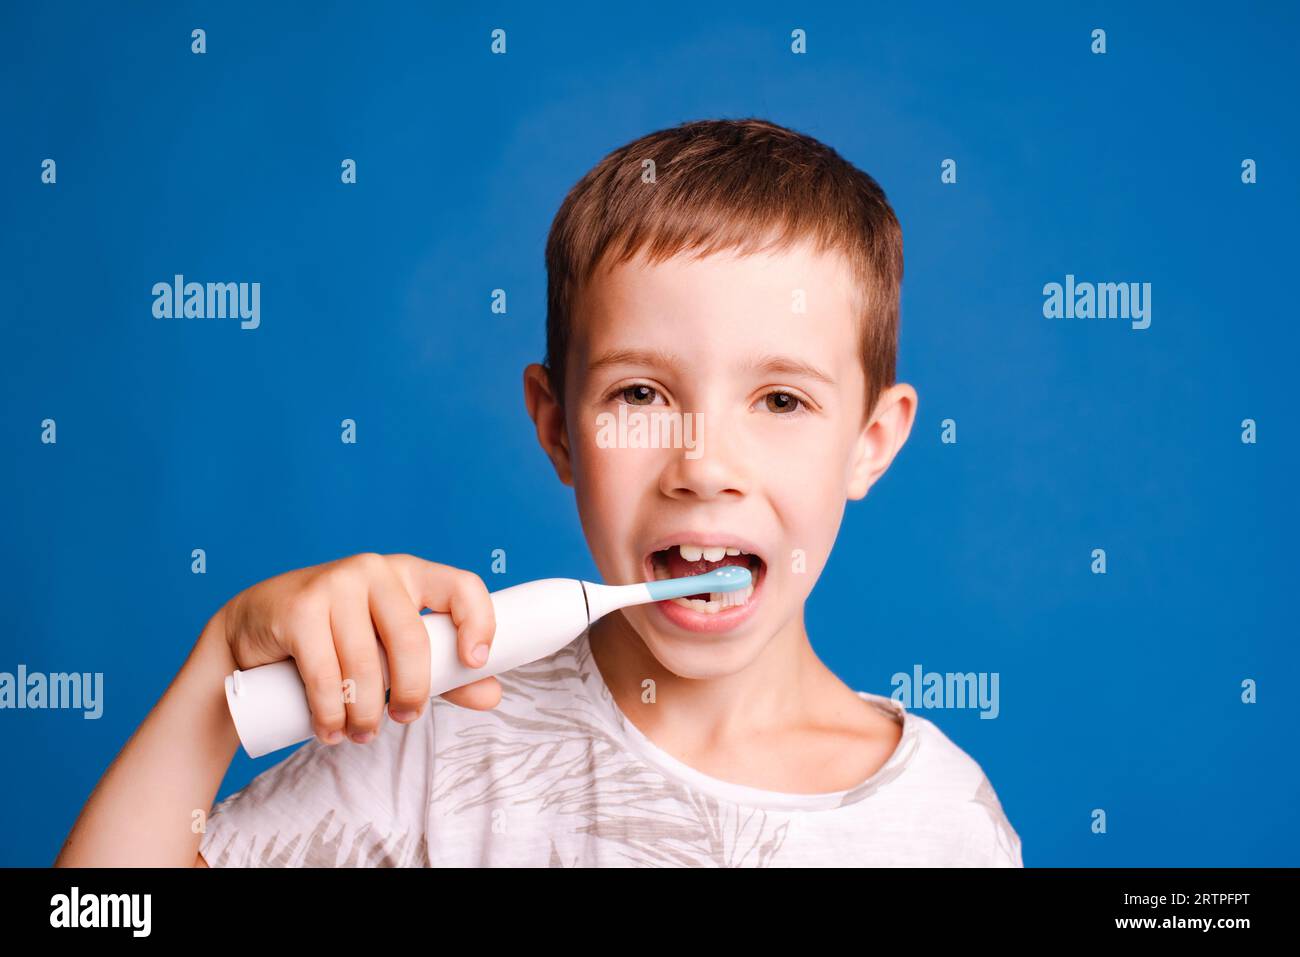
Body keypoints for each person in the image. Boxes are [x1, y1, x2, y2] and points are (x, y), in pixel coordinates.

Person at [56, 117, 1022, 867]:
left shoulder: (939, 819)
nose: (703, 463)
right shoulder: (436, 739)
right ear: (558, 426)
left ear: (872, 440)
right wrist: (217, 678)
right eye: (640, 392)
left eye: (780, 399)